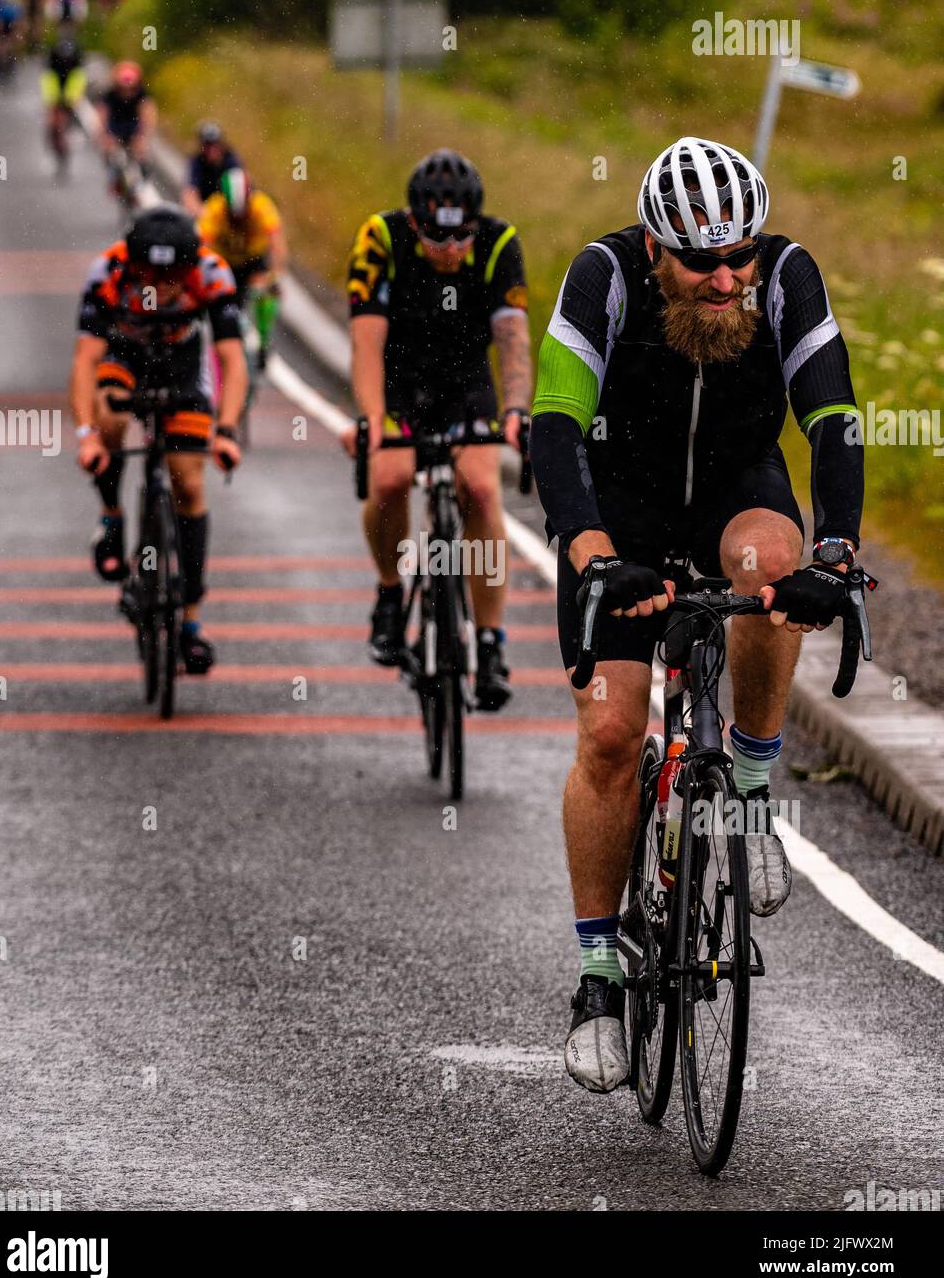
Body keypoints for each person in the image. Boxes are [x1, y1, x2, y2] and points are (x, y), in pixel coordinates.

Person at [529, 136, 865, 1092]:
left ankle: (751, 786)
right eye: (699, 261)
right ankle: (598, 975)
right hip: (618, 514)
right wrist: (591, 552)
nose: (725, 280)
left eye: (738, 255)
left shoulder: (786, 275)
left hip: (734, 491)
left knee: (769, 565)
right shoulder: (602, 275)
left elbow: (833, 415)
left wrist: (835, 552)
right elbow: (553, 420)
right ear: (653, 247)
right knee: (608, 732)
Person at [341, 148, 532, 709]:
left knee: (480, 488)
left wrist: (517, 411)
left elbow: (514, 342)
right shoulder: (380, 238)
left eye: (459, 238)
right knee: (391, 478)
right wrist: (372, 420)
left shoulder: (499, 243)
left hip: (465, 380)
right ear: (414, 222)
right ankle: (388, 591)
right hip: (401, 377)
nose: (449, 251)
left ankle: (491, 641)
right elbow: (366, 341)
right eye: (435, 238)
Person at [69, 205, 248, 674]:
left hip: (184, 362)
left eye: (173, 275)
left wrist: (226, 432)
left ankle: (190, 620)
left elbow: (232, 359)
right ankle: (111, 516)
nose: (162, 285)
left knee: (189, 484)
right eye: (151, 273)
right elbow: (86, 361)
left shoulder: (211, 273)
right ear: (134, 264)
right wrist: (87, 436)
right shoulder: (108, 271)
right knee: (110, 418)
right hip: (124, 355)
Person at [197, 168, 286, 365]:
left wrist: (276, 275)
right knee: (222, 308)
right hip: (226, 264)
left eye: (243, 211)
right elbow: (201, 247)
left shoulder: (262, 206)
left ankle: (264, 340)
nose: (238, 217)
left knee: (267, 296)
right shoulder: (214, 209)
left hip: (253, 262)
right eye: (232, 213)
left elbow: (277, 244)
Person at [96, 60, 156, 166]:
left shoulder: (143, 96)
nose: (127, 92)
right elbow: (102, 115)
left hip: (133, 125)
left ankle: (141, 172)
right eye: (123, 88)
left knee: (142, 154)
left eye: (131, 89)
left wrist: (143, 137)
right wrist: (104, 135)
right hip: (115, 126)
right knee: (111, 156)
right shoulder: (109, 95)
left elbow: (148, 116)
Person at [40, 34, 87, 159]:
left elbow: (78, 80)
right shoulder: (51, 67)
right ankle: (51, 135)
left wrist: (73, 98)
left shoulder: (76, 67)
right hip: (55, 85)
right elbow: (48, 81)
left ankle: (75, 129)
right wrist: (51, 100)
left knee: (75, 110)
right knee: (52, 116)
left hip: (70, 86)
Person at [182, 121, 241, 217]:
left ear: (221, 144)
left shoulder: (231, 161)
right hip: (205, 213)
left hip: (227, 214)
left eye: (215, 145)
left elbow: (241, 190)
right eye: (207, 145)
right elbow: (190, 194)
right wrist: (204, 214)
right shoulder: (197, 162)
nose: (211, 150)